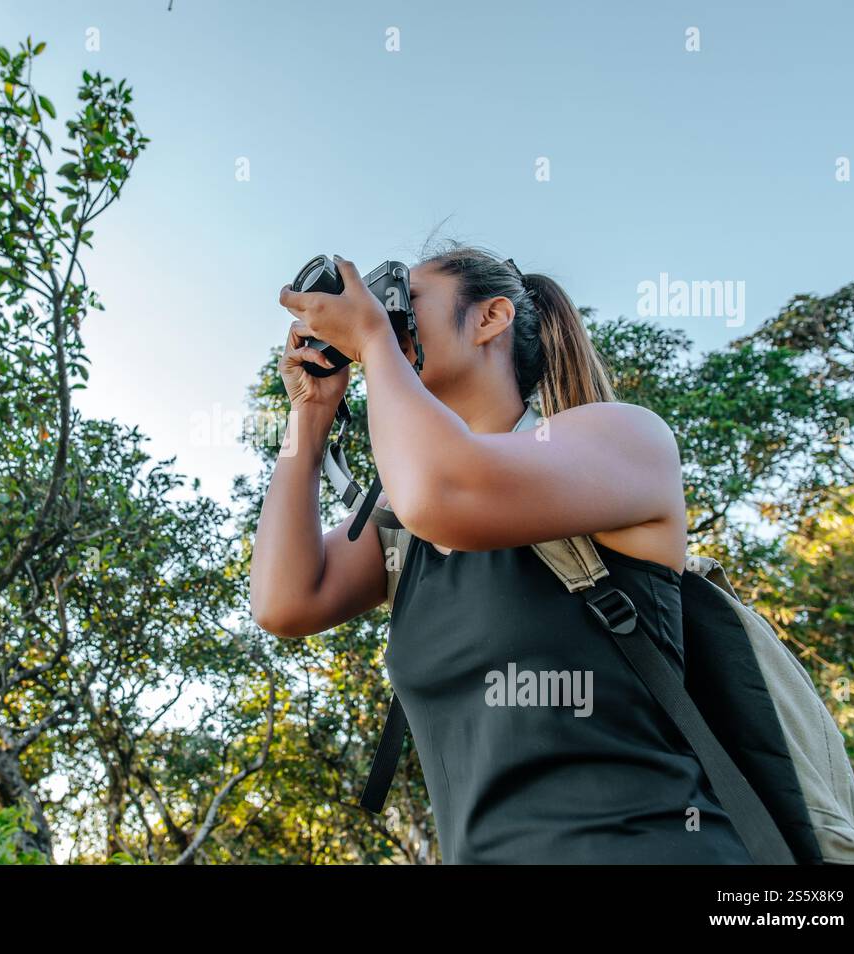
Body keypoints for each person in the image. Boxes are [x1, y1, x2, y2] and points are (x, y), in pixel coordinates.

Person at [248, 243, 753, 864]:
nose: (387, 315)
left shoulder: (623, 438)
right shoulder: (403, 527)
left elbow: (446, 492)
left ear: (490, 319)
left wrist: (377, 344)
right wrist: (310, 414)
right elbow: (284, 602)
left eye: (406, 297)